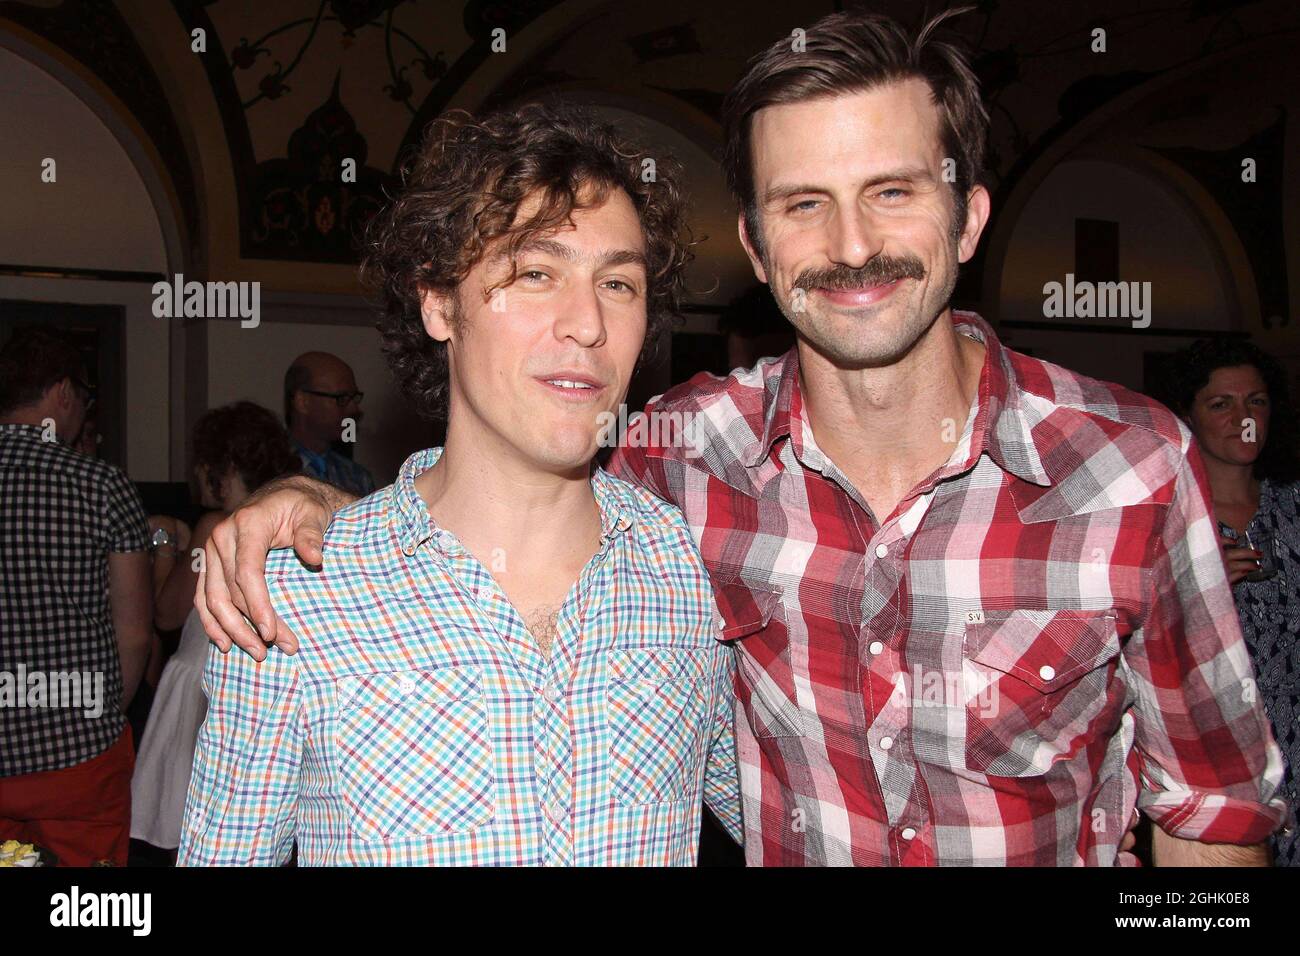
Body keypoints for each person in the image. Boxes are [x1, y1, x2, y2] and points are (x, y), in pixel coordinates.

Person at [196, 9, 1284, 866]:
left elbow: (1220, 810)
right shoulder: (686, 466)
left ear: (969, 216)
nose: (850, 244)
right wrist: (311, 506)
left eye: (892, 191)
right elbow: (506, 471)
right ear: (758, 249)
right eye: (803, 204)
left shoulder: (1129, 468)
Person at [177, 103, 740, 866]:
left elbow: (799, 821)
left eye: (618, 283)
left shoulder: (692, 571)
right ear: (439, 302)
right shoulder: (298, 595)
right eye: (536, 273)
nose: (587, 324)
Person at [0, 326, 152, 866]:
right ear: (63, 392)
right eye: (85, 400)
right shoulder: (102, 485)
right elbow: (134, 634)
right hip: (78, 756)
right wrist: (104, 711)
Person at [131, 402, 300, 856]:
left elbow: (166, 614)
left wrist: (164, 544)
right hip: (255, 683)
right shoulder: (280, 525)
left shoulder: (215, 525)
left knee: (188, 831)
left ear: (221, 466)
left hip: (201, 687)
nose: (194, 472)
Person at [1167, 338, 1300, 866]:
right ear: (1189, 416)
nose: (1244, 418)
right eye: (1221, 403)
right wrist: (1196, 581)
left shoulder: (1293, 502)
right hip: (1216, 741)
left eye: (1256, 401)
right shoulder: (1172, 514)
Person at [284, 352, 375, 496]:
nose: (354, 409)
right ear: (302, 401)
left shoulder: (358, 478)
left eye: (354, 398)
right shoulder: (267, 469)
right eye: (341, 398)